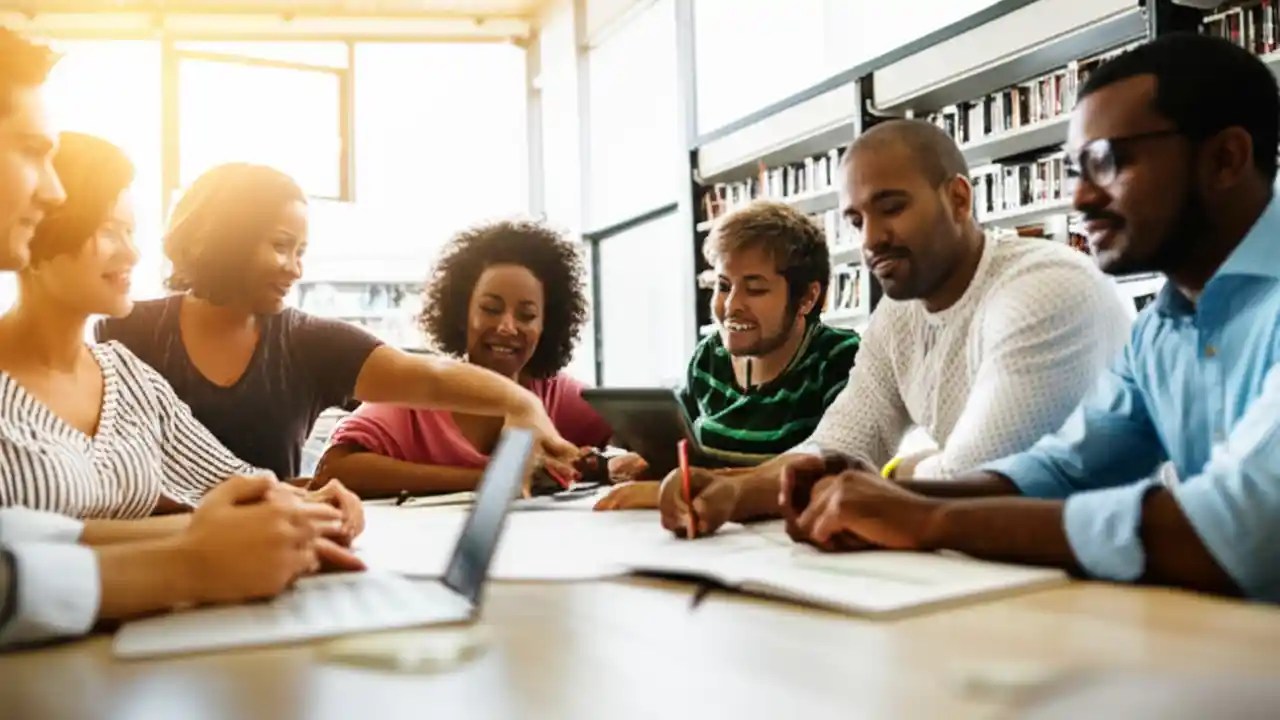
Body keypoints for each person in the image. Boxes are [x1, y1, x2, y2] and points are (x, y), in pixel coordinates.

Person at [782, 34, 1280, 602]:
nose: (1081, 199)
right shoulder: (1160, 331)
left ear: (1226, 159)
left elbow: (1244, 523)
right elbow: (1062, 469)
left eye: (1107, 162)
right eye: (1074, 170)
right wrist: (889, 498)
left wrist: (927, 520)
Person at [0, 30, 357, 651]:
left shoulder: (127, 374)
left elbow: (26, 537)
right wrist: (192, 560)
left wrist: (304, 502)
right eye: (107, 230)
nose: (50, 190)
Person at [660, 119, 1132, 536]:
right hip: (1001, 563)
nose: (870, 239)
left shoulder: (1042, 289)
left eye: (892, 207)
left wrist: (893, 472)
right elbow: (838, 444)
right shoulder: (899, 313)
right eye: (856, 219)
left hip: (1114, 577)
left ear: (958, 198)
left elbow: (974, 475)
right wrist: (734, 493)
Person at [96, 163, 579, 482]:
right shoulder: (127, 331)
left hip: (269, 557)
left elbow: (429, 376)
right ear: (227, 238)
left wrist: (520, 403)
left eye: (301, 251)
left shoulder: (308, 342)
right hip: (167, 553)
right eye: (281, 246)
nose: (294, 268)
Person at [316, 220, 612, 497]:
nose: (507, 327)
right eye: (491, 309)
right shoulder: (421, 389)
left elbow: (640, 436)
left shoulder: (559, 394)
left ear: (546, 326)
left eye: (527, 315)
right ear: (462, 314)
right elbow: (332, 470)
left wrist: (610, 463)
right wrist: (491, 481)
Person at [595, 200, 861, 510]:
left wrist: (688, 488)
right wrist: (642, 465)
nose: (731, 305)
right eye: (723, 286)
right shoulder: (709, 359)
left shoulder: (839, 359)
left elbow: (836, 471)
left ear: (807, 298)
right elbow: (683, 455)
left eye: (755, 289)